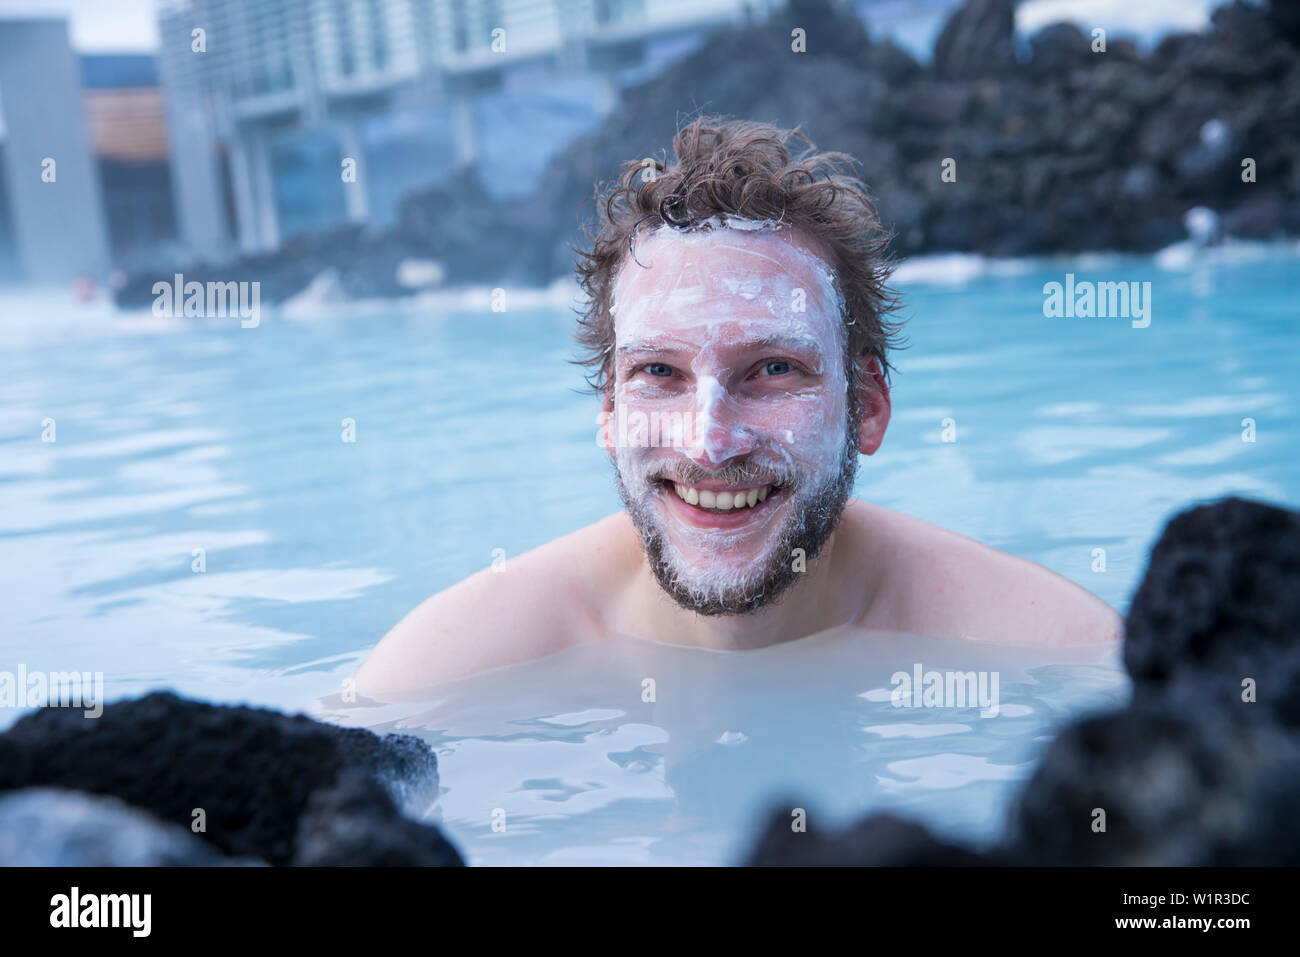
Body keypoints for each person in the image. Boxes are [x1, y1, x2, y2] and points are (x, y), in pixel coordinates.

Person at [355, 116, 1120, 696]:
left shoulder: (1053, 651)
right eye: (659, 371)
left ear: (869, 408)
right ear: (611, 412)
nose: (711, 442)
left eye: (773, 368)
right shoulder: (446, 672)